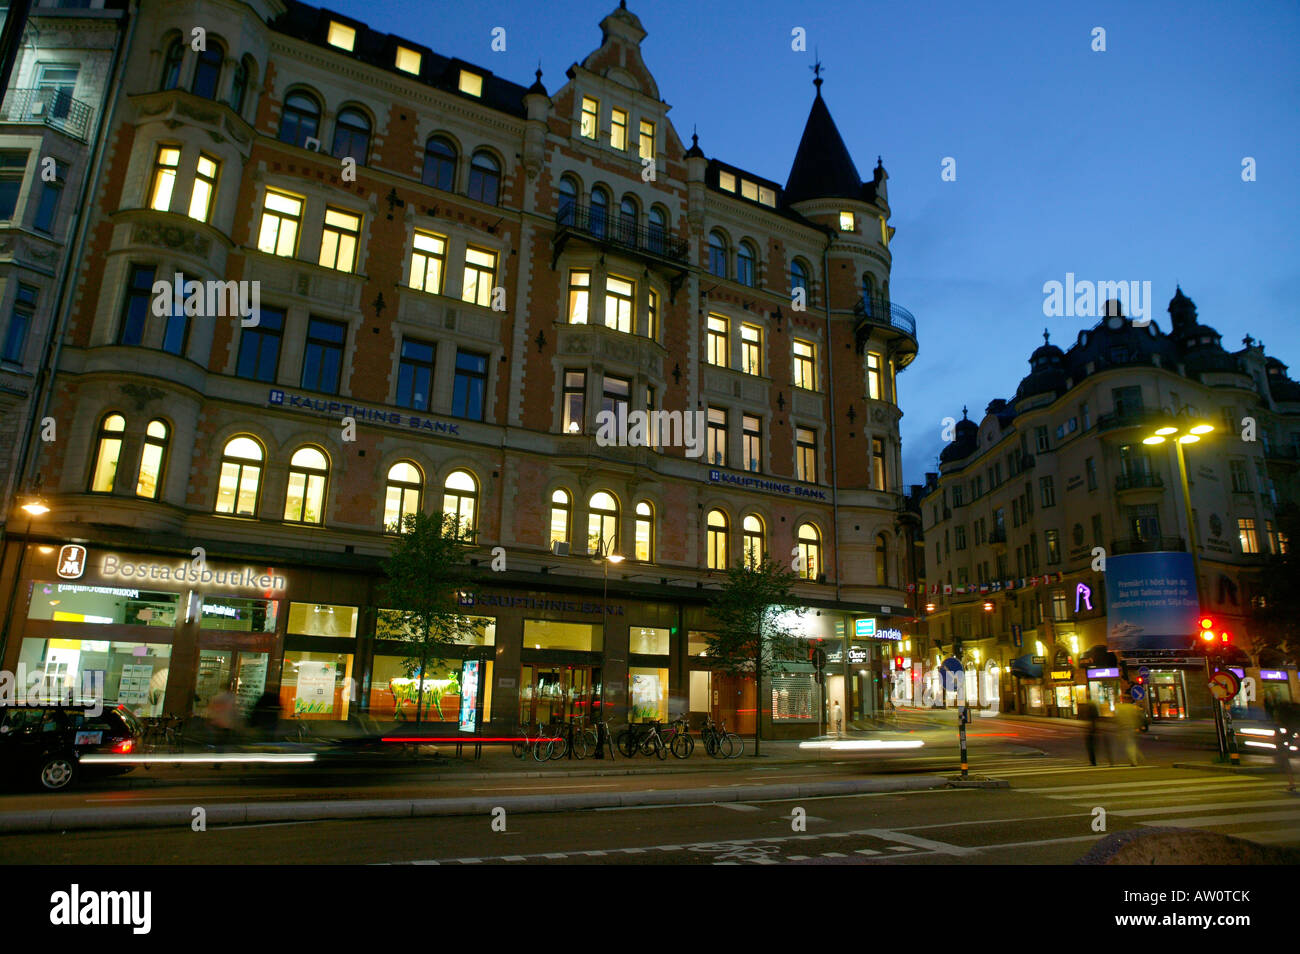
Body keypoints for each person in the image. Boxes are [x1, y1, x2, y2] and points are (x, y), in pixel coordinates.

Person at [1273, 701, 1300, 792]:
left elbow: (1290, 734)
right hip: (1291, 740)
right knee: (1285, 760)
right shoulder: (1292, 718)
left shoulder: (1290, 722)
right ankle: (1291, 783)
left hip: (1292, 740)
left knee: (1285, 761)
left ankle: (1291, 783)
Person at [1115, 697, 1143, 765]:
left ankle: (1134, 760)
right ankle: (1139, 757)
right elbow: (1137, 717)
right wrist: (1138, 726)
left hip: (1125, 728)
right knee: (1131, 743)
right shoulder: (1133, 707)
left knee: (1129, 744)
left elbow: (1118, 718)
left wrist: (1119, 728)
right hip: (1132, 727)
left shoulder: (1120, 708)